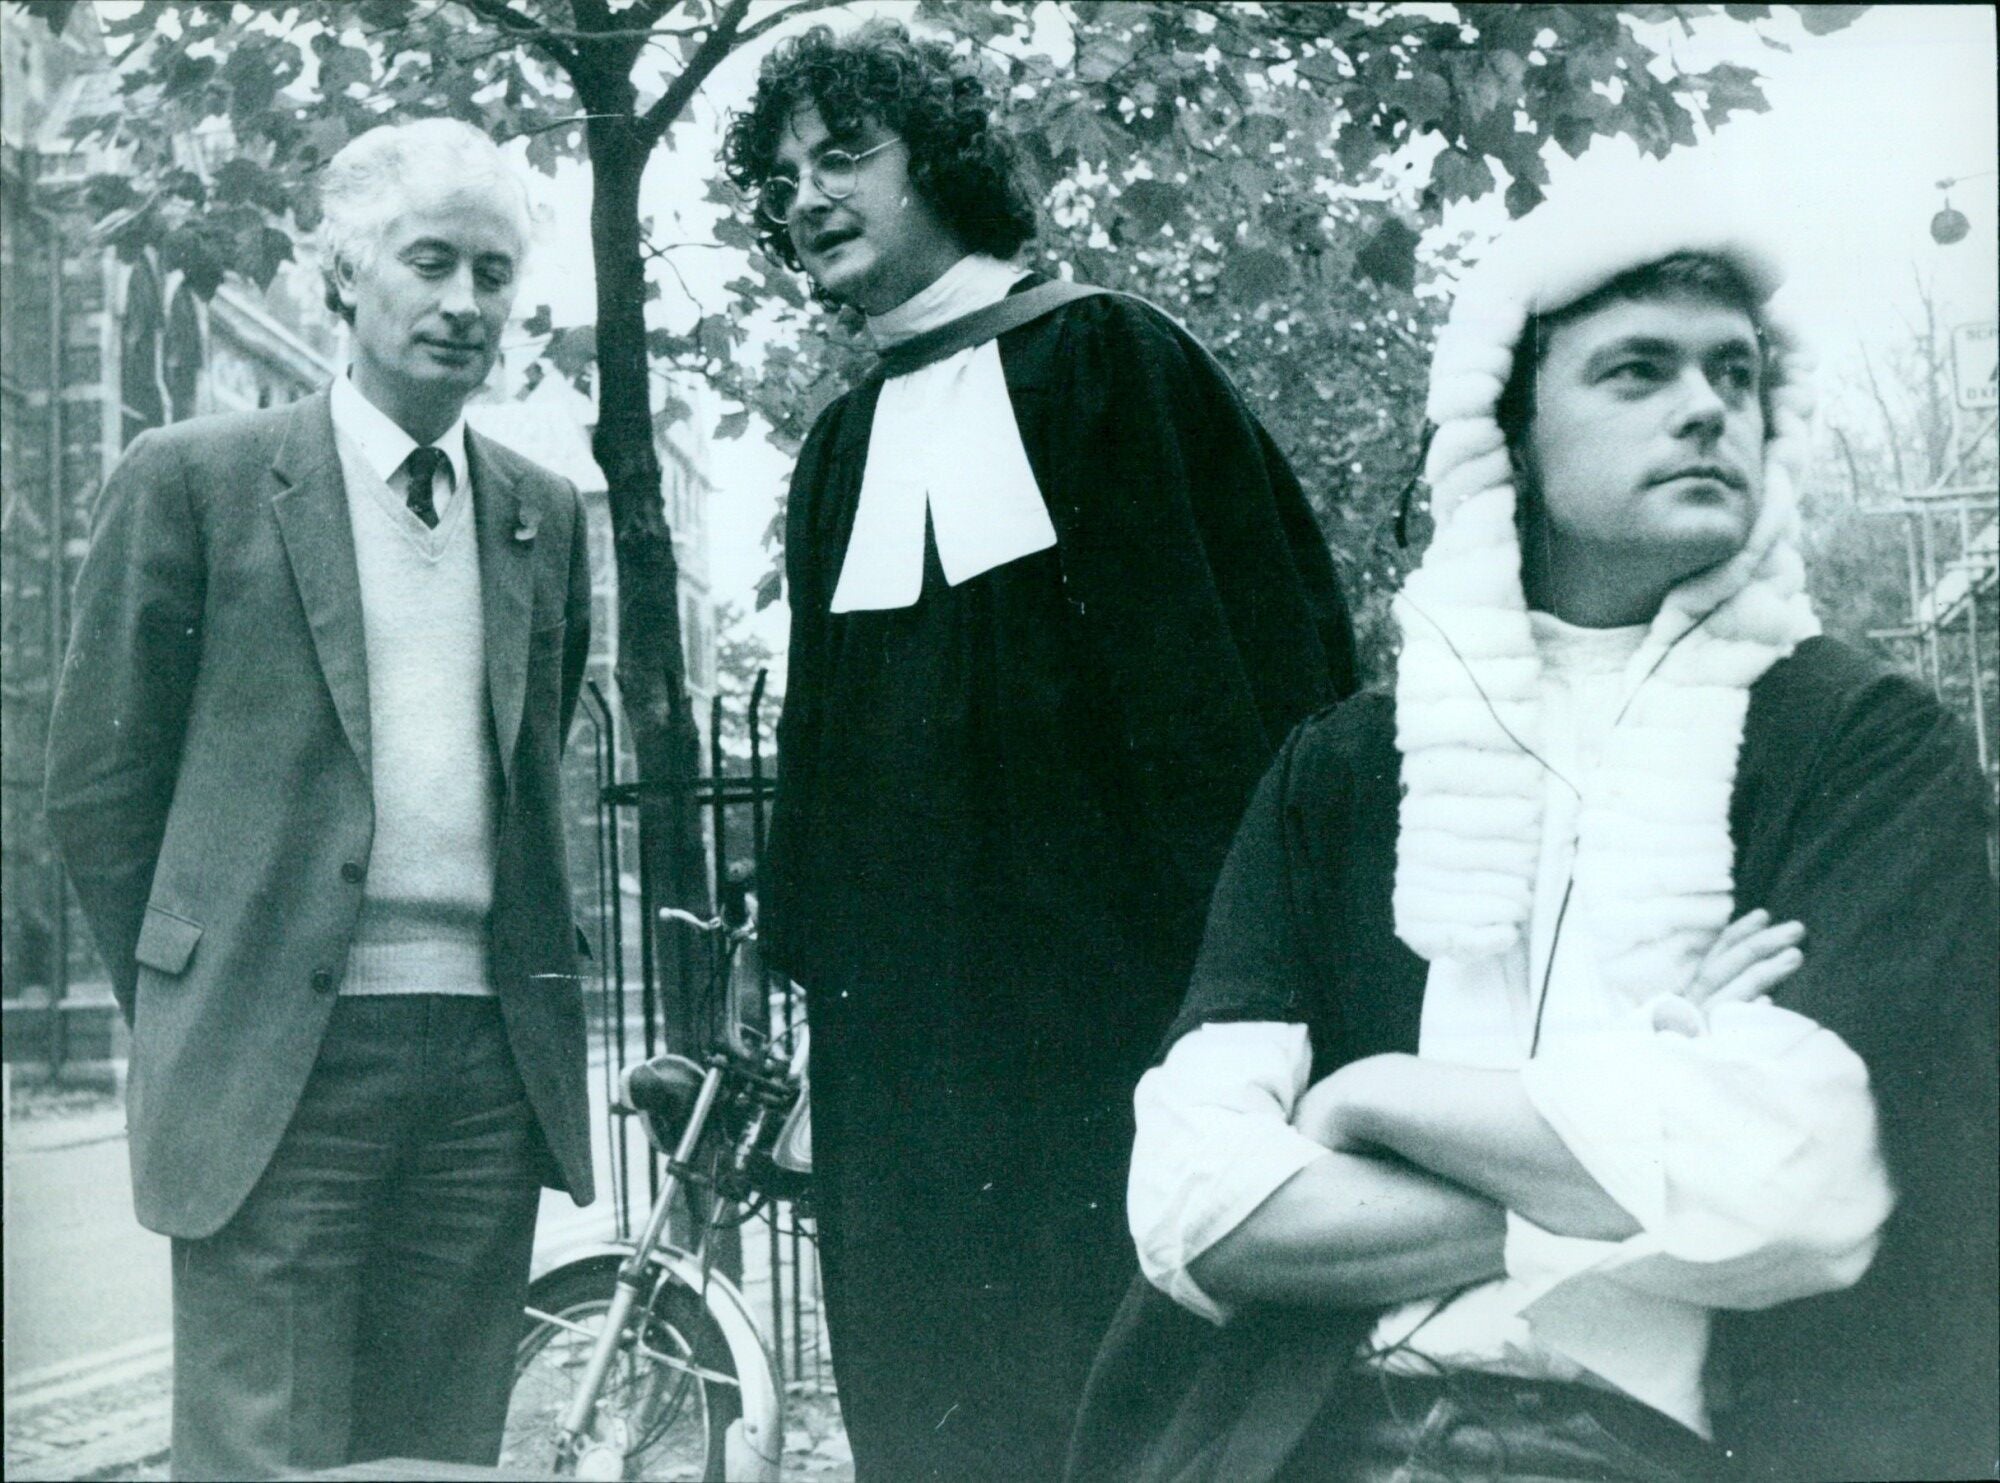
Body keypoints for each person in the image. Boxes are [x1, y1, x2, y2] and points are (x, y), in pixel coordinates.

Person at [1069, 166, 2000, 1483]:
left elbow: (1799, 1188)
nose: (1706, 407)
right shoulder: (1347, 770)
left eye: (1734, 375)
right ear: (1509, 427)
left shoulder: (1860, 745)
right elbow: (1191, 1207)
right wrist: (1638, 1133)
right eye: (1638, 371)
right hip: (1323, 1439)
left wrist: (1370, 1100)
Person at [721, 22, 1356, 1481]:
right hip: (905, 1053)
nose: (808, 196)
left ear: (940, 164)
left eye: (844, 156)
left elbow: (1242, 697)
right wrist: (788, 942)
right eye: (787, 175)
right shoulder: (837, 452)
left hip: (1108, 1012)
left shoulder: (1110, 365)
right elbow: (819, 756)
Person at [44, 119, 596, 1480]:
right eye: (431, 262)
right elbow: (100, 788)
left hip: (483, 1066)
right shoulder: (195, 481)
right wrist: (202, 986)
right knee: (267, 1455)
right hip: (280, 1062)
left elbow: (533, 777)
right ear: (345, 275)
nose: (465, 303)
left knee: (439, 1454)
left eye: (493, 273)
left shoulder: (542, 512)